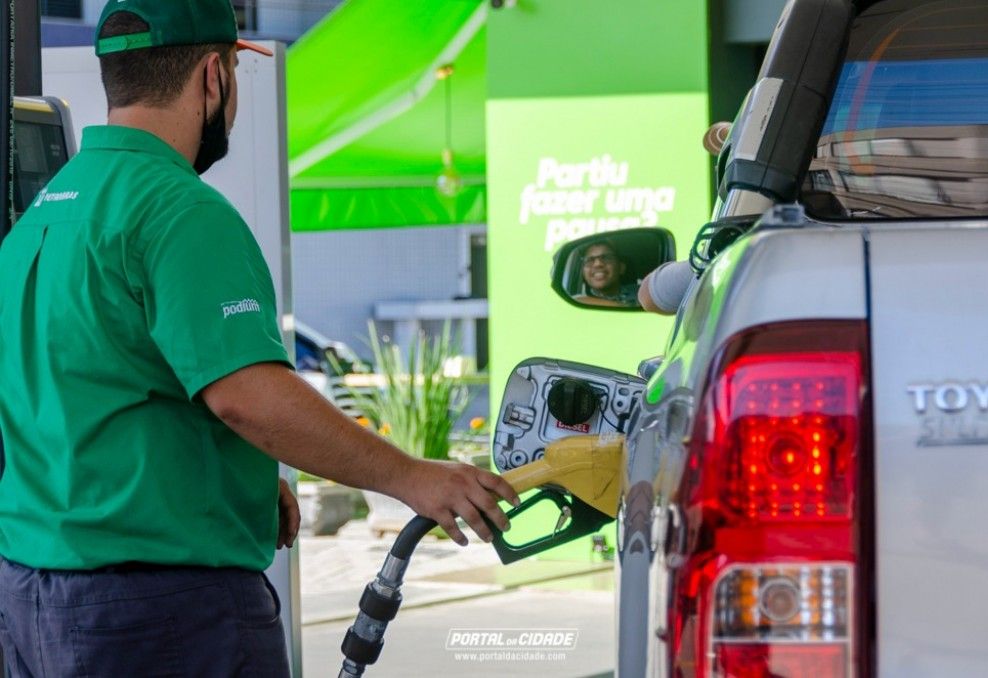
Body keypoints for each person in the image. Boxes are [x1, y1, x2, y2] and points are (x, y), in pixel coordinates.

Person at [0, 1, 517, 675]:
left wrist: (234, 475)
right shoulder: (177, 208)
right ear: (213, 76)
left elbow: (88, 382)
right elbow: (248, 397)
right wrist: (412, 478)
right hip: (162, 612)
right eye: (237, 73)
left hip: (34, 594)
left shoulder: (49, 209)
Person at [576, 241, 639, 306]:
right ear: (583, 273)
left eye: (607, 258)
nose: (598, 264)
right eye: (589, 260)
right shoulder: (575, 302)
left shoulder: (642, 293)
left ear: (621, 268)